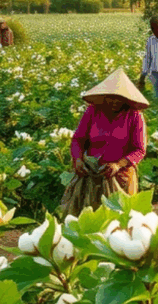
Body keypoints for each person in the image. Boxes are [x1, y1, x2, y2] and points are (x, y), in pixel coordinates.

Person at [61, 68, 148, 213]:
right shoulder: (92, 111)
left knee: (119, 217)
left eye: (119, 98)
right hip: (92, 174)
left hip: (120, 176)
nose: (114, 101)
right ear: (104, 96)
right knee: (87, 215)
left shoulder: (134, 116)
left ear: (126, 98)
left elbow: (139, 150)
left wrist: (118, 165)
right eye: (111, 97)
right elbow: (78, 139)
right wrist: (78, 159)